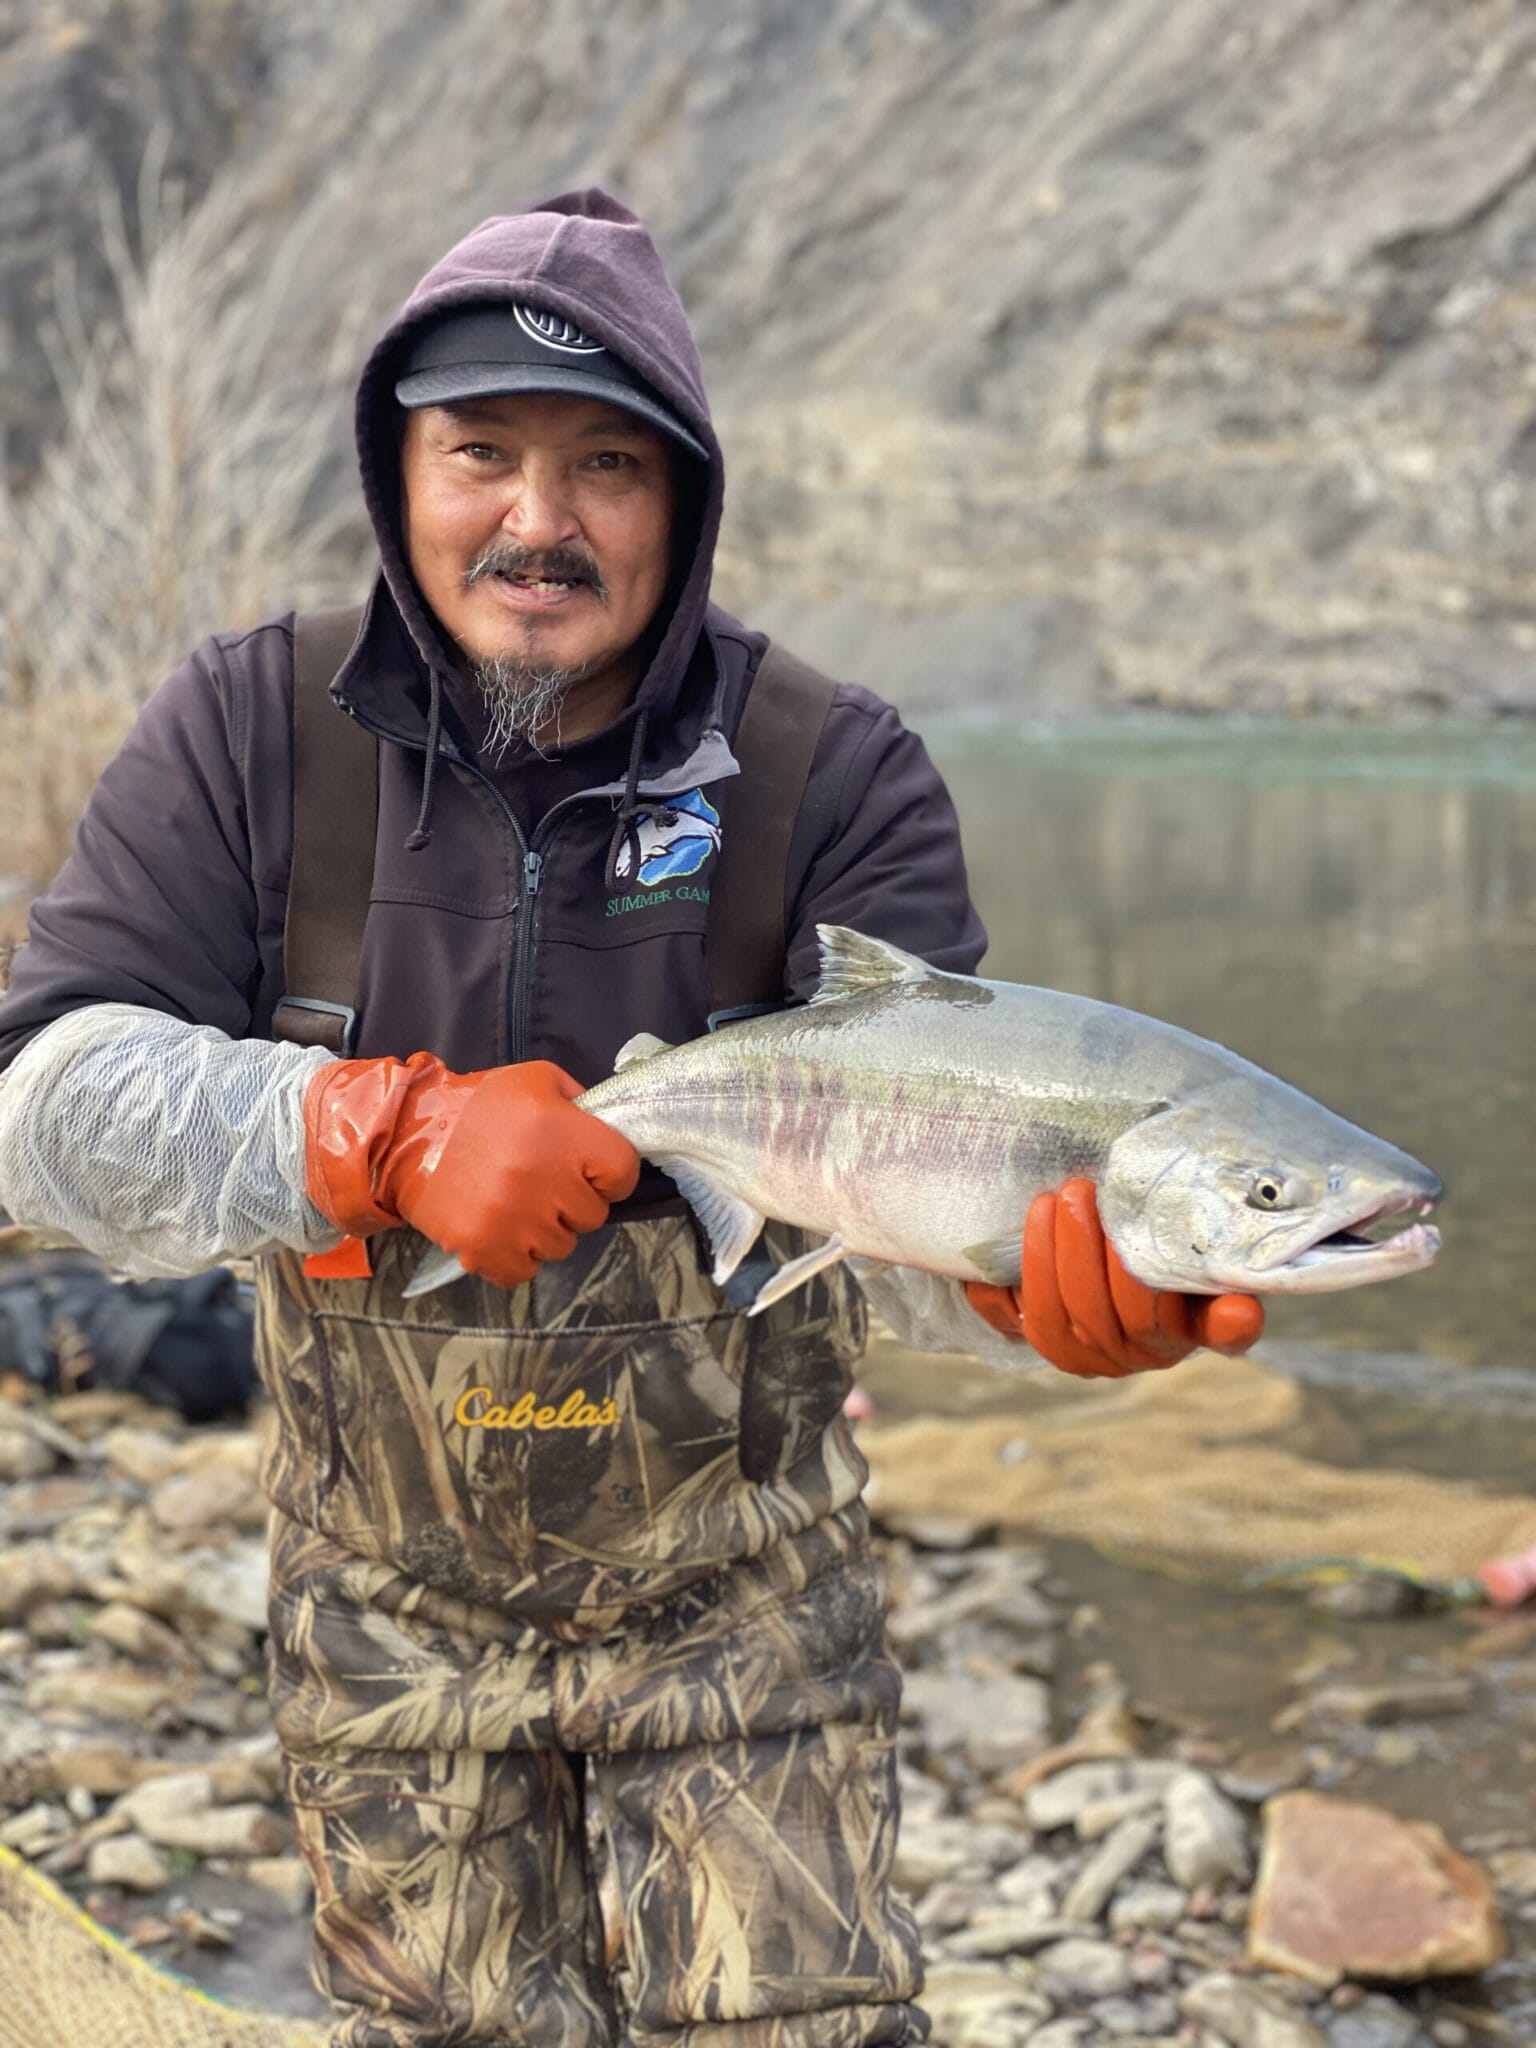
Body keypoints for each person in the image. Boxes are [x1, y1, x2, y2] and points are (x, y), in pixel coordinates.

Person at [0, 190, 1260, 2047]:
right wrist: (369, 1131)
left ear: (684, 499)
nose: (538, 519)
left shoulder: (836, 772)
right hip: (383, 1629)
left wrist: (1020, 1286)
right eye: (481, 453)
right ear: (397, 470)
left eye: (605, 465)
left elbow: (900, 1211)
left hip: (751, 1623)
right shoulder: (248, 732)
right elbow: (39, 1111)